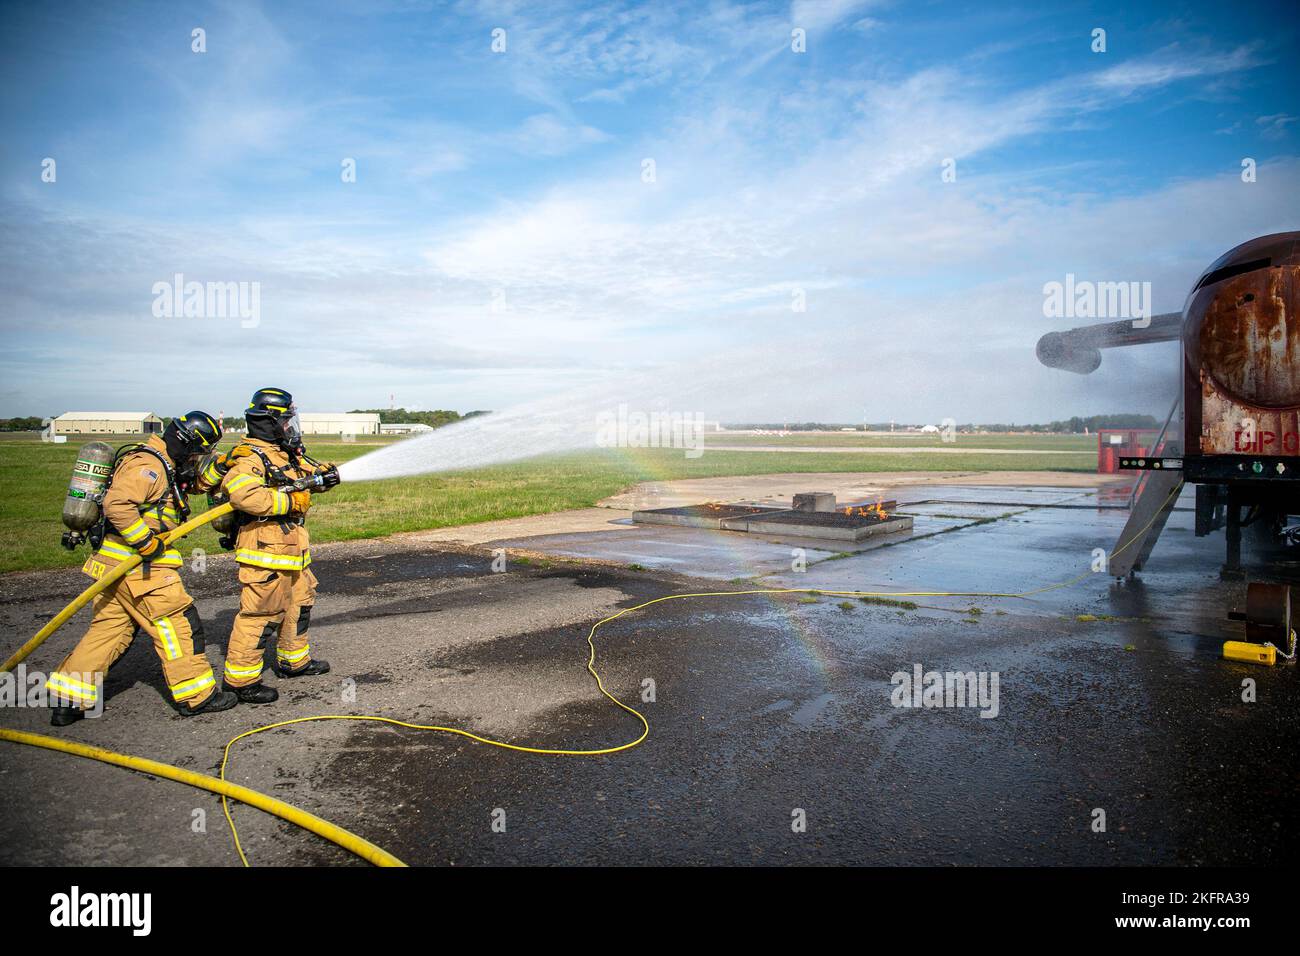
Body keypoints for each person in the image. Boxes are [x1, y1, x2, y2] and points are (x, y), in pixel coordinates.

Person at [46, 412, 237, 724]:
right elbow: (118, 505)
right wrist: (146, 543)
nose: (196, 460)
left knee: (110, 630)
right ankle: (197, 696)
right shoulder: (149, 467)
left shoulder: (163, 463)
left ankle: (69, 700)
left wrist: (222, 463)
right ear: (185, 445)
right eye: (197, 453)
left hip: (114, 566)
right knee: (177, 625)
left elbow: (193, 484)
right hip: (140, 568)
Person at [216, 387, 338, 703]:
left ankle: (293, 660)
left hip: (292, 548)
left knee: (301, 601)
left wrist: (321, 475)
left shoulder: (280, 453)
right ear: (268, 422)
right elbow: (244, 495)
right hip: (264, 549)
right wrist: (288, 501)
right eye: (285, 421)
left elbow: (298, 478)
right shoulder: (250, 456)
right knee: (261, 612)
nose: (289, 427)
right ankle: (240, 681)